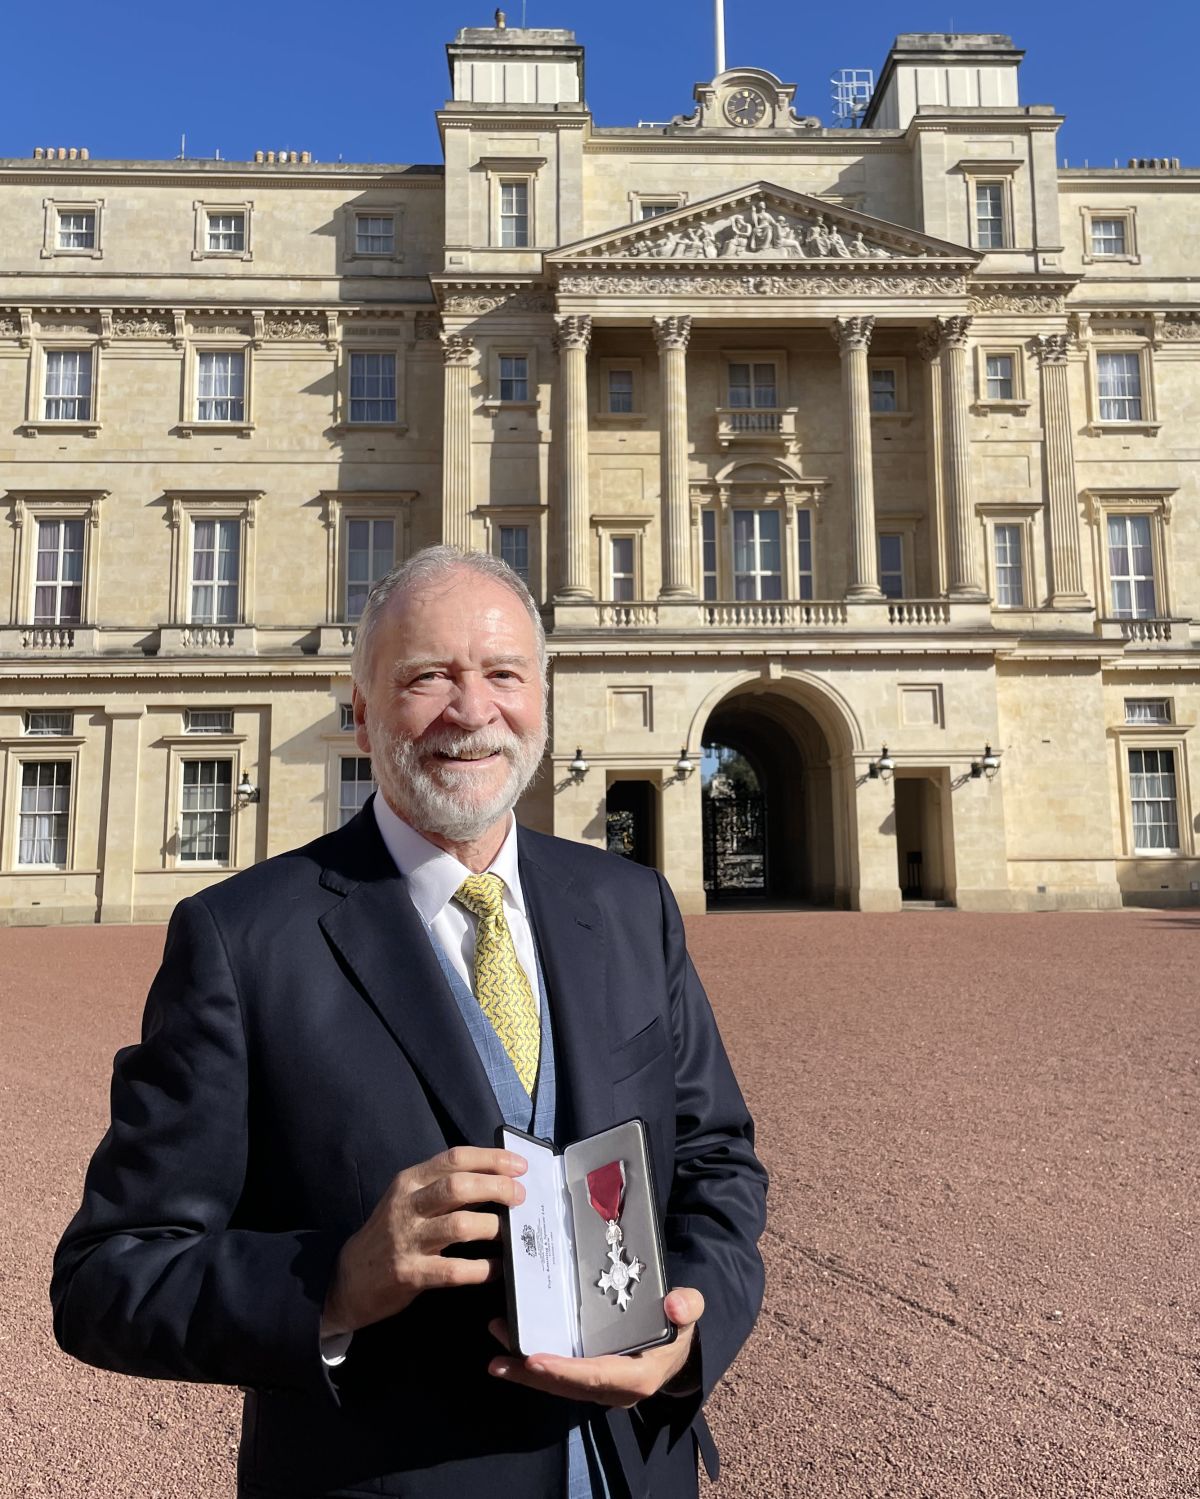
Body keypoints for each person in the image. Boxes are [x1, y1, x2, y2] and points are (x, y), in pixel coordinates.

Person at [51, 546, 768, 1499]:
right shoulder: (242, 940)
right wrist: (335, 1281)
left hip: (635, 1469)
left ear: (542, 699)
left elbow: (718, 1161)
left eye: (502, 674)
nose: (472, 712)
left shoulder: (630, 903)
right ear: (360, 710)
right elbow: (109, 1276)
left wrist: (687, 1331)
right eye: (428, 676)